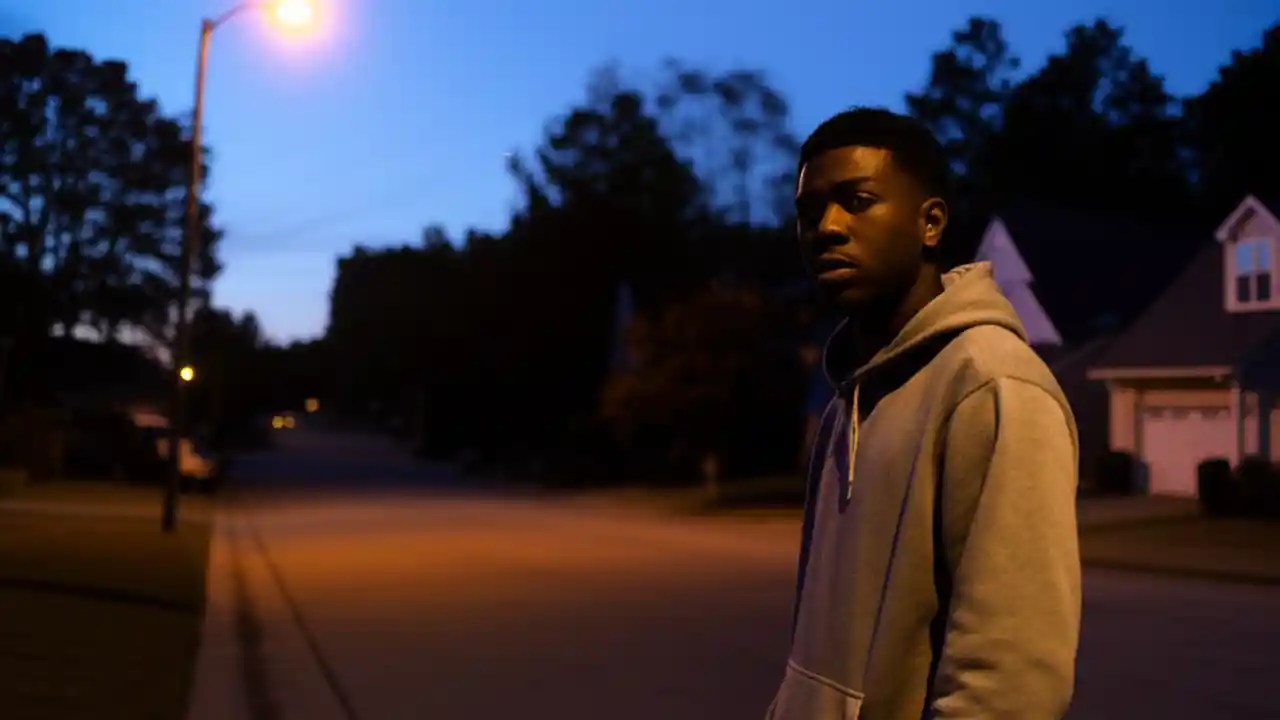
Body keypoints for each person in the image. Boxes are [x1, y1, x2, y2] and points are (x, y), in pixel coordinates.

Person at [765, 108, 1081, 719]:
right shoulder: (848, 399)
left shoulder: (992, 385)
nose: (827, 227)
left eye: (857, 201)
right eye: (809, 212)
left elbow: (1009, 684)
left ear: (930, 223)